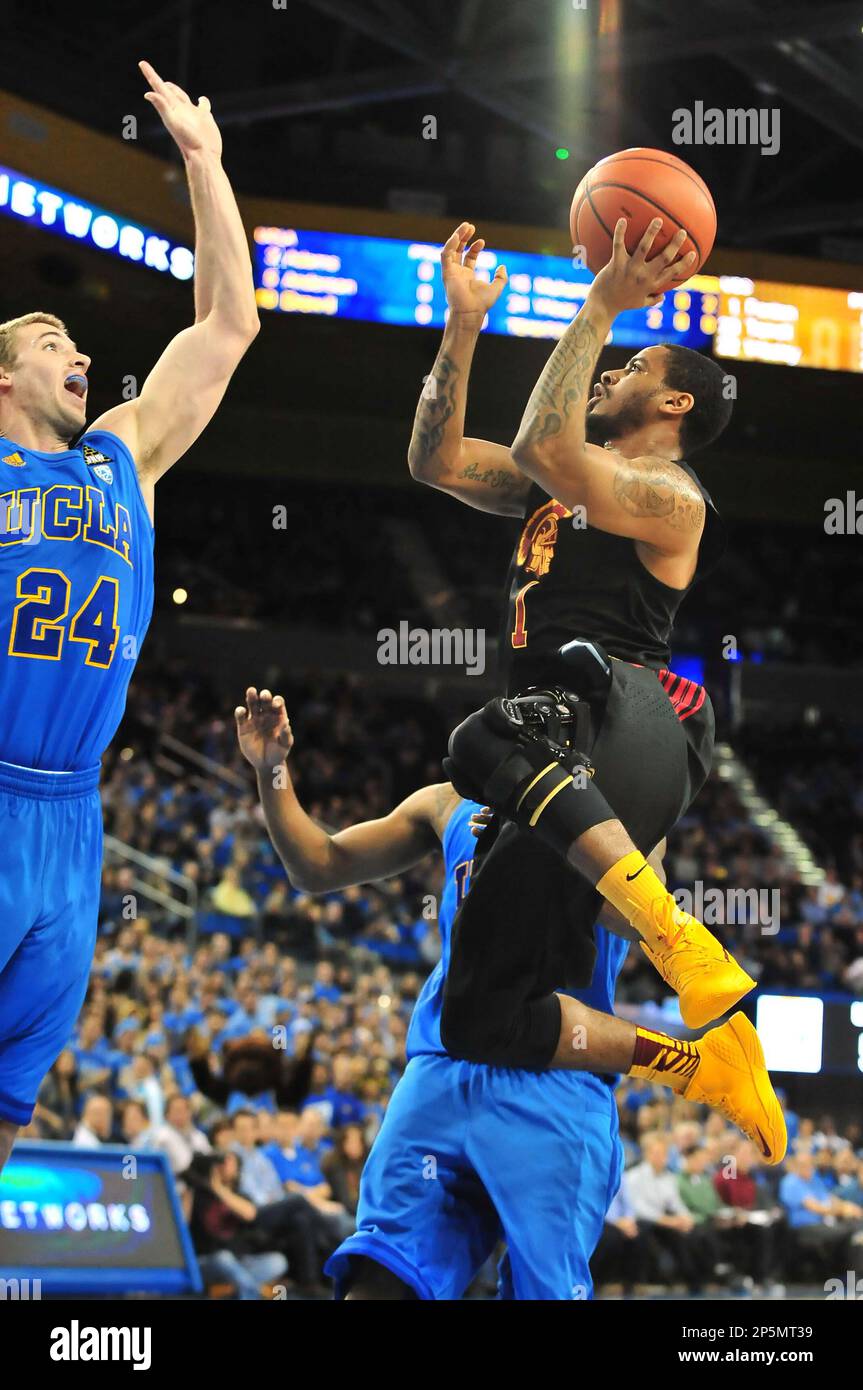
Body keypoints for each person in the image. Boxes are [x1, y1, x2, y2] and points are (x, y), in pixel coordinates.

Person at [235, 687, 784, 1300]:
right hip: (442, 1070)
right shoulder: (447, 800)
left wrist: (550, 833)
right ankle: (689, 1063)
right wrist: (271, 770)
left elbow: (629, 917)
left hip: (553, 1077)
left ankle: (691, 1063)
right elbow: (319, 864)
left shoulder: (626, 816)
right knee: (379, 1282)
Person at [406, 221, 776, 1101]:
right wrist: (462, 326)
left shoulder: (671, 495)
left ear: (675, 405)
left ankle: (679, 940)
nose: (612, 371)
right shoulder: (558, 484)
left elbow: (544, 445)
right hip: (553, 745)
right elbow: (435, 461)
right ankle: (699, 1064)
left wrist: (604, 301)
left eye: (634, 368)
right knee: (481, 1017)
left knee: (473, 747)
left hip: (633, 713)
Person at [0, 60, 260, 1173]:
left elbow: (228, 322)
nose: (81, 354)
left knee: (14, 1092)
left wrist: (204, 165)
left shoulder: (123, 456)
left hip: (73, 817)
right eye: (53, 342)